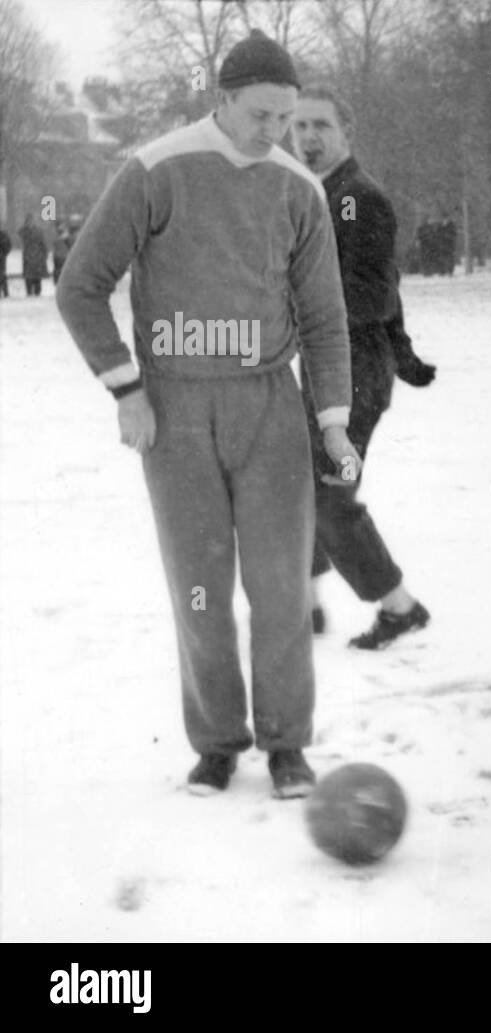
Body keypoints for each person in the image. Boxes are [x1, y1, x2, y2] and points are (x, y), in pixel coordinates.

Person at [56, 30, 362, 799]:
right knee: (199, 584)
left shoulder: (299, 188)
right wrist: (126, 387)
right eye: (262, 114)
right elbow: (80, 284)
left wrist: (330, 420)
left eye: (288, 117)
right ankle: (217, 742)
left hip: (268, 405)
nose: (278, 132)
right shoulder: (155, 170)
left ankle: (288, 744)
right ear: (222, 100)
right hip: (176, 406)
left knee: (282, 586)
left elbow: (325, 317)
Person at [292, 84, 436, 648]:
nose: (307, 136)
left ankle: (399, 607)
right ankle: (304, 604)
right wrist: (407, 354)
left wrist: (297, 304)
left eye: (320, 126)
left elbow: (374, 294)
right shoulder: (314, 191)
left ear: (346, 132)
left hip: (353, 372)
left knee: (330, 496)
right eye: (299, 126)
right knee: (298, 483)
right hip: (327, 365)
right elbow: (387, 291)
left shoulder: (358, 196)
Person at [19, 214, 48, 295]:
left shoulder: (39, 231)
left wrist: (45, 254)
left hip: (37, 257)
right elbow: (20, 233)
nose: (31, 223)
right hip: (28, 256)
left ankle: (37, 293)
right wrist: (26, 227)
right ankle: (29, 293)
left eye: (32, 221)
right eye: (29, 221)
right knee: (28, 278)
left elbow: (43, 243)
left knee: (37, 278)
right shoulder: (25, 231)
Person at [0, 225, 11, 298]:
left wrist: (3, 253)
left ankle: (6, 293)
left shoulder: (3, 235)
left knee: (2, 275)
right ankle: (6, 293)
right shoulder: (3, 235)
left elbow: (8, 246)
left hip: (1, 259)